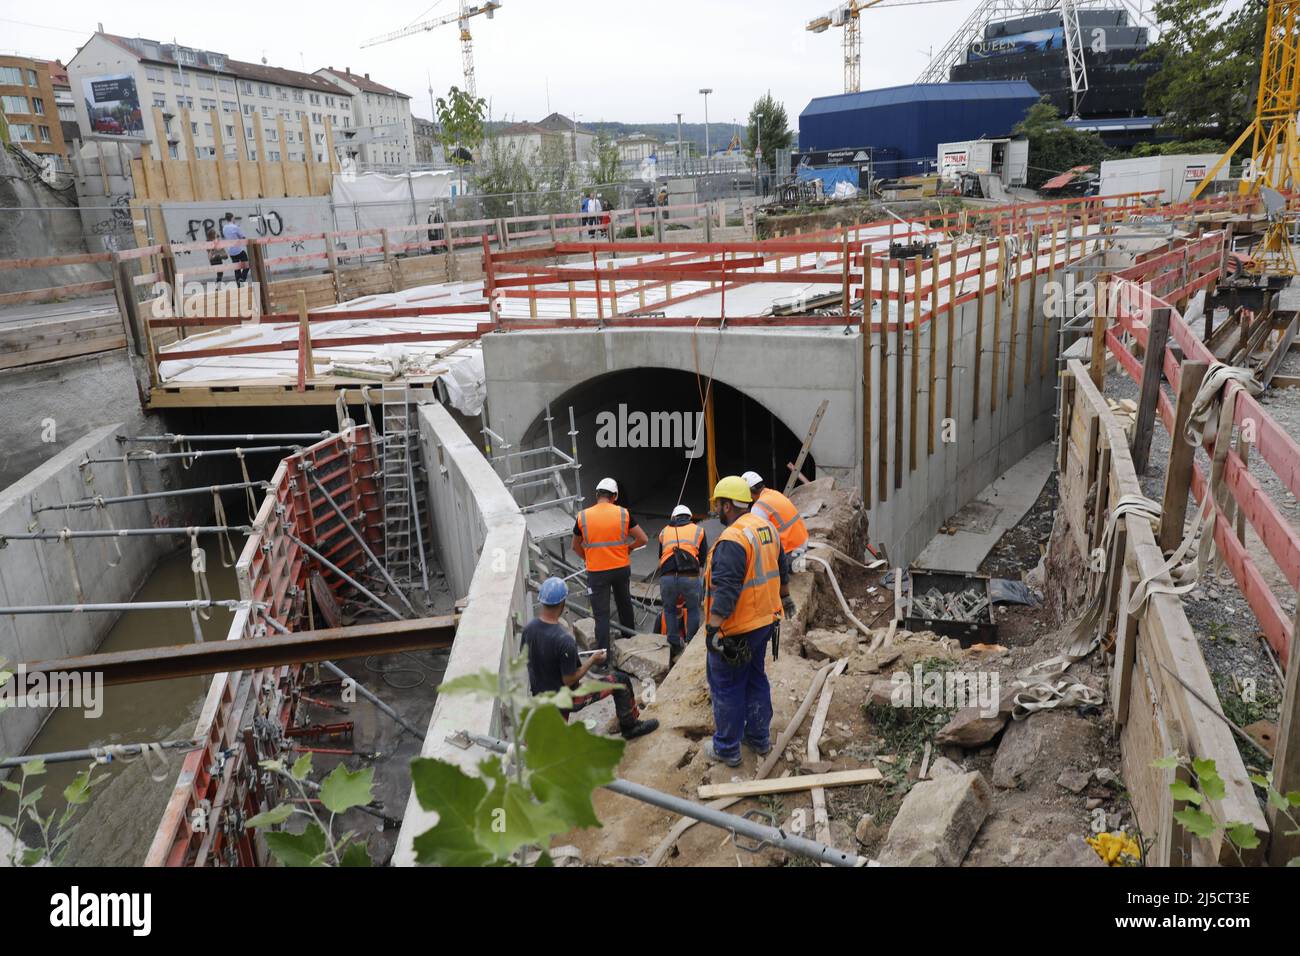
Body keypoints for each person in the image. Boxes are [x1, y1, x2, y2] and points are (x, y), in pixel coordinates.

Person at [701, 476, 795, 767]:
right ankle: (758, 738)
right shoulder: (766, 528)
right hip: (764, 621)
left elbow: (726, 591)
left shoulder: (732, 539)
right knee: (755, 678)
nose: (717, 509)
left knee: (726, 685)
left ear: (728, 505)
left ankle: (727, 748)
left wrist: (713, 629)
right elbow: (782, 567)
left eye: (719, 504)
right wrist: (786, 598)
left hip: (737, 627)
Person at [522, 577, 658, 740]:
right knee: (621, 681)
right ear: (562, 603)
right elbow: (569, 679)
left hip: (541, 695)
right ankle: (631, 727)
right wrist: (592, 660)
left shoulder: (529, 629)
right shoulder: (563, 640)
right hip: (567, 698)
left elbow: (528, 660)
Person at [572, 477, 647, 656]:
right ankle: (630, 646)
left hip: (597, 571)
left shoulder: (583, 516)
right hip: (621, 568)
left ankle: (603, 660)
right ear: (614, 496)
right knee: (624, 605)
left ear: (597, 495)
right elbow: (643, 539)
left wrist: (588, 558)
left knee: (602, 615)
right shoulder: (623, 514)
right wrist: (628, 548)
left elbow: (575, 546)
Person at [657, 503, 706, 658]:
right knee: (693, 609)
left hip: (667, 577)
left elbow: (660, 556)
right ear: (690, 518)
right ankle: (691, 642)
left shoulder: (664, 532)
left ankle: (674, 643)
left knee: (670, 610)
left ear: (673, 517)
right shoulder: (699, 530)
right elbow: (703, 558)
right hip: (690, 576)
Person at [743, 470, 809, 557]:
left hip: (790, 550)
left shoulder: (758, 507)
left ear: (748, 491)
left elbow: (761, 540)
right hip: (802, 541)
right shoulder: (774, 493)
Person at [222, 212, 249, 285]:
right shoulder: (235, 227)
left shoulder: (224, 228)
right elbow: (242, 237)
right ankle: (242, 278)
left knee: (236, 268)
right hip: (238, 250)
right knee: (247, 265)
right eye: (233, 218)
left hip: (231, 250)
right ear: (232, 218)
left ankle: (239, 284)